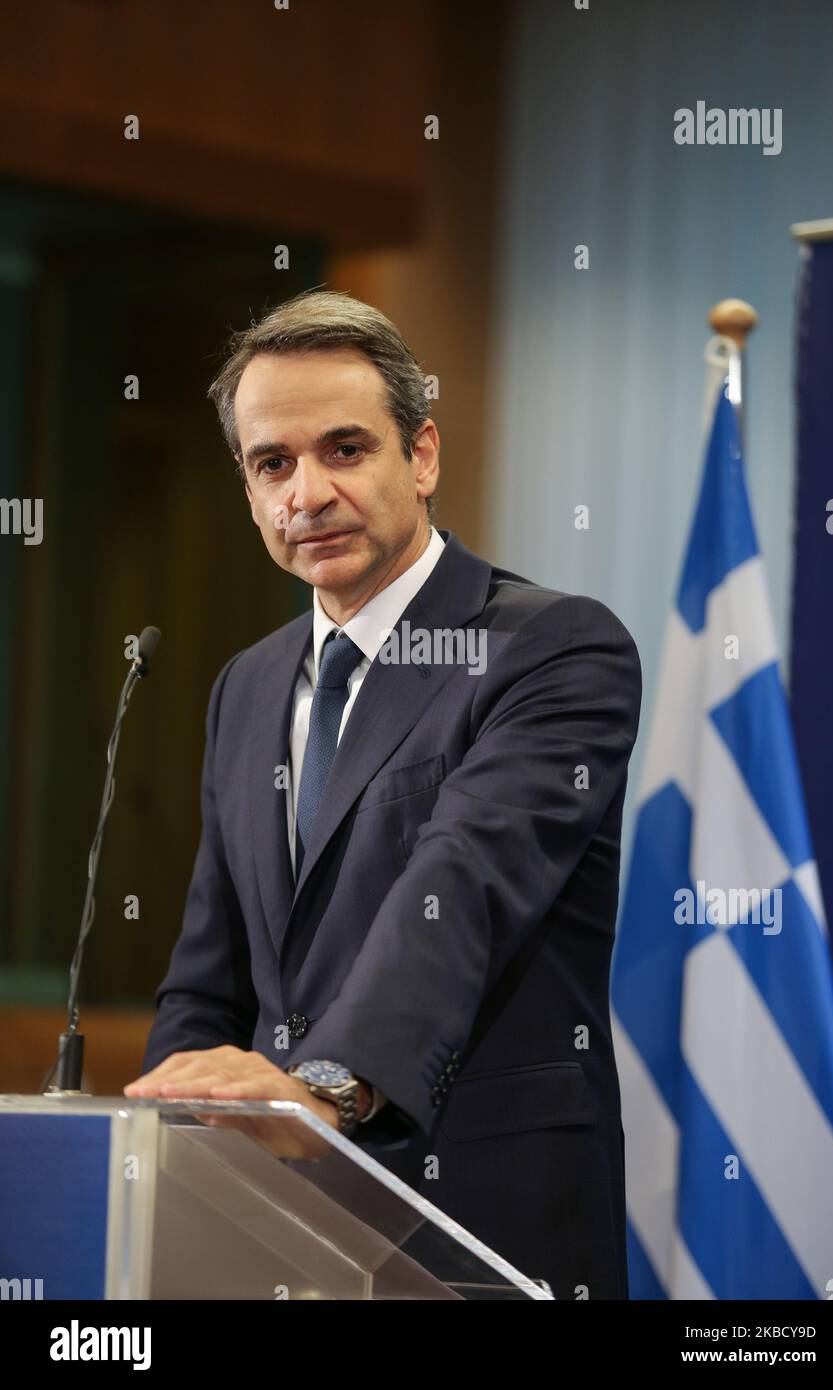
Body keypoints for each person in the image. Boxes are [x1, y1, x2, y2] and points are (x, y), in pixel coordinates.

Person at [125, 289, 641, 1299]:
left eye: (344, 449)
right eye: (270, 463)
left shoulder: (548, 647)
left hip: (478, 1222)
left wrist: (321, 1089)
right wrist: (165, 1130)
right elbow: (210, 970)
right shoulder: (249, 685)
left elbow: (464, 881)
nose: (304, 493)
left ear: (424, 456)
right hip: (266, 1230)